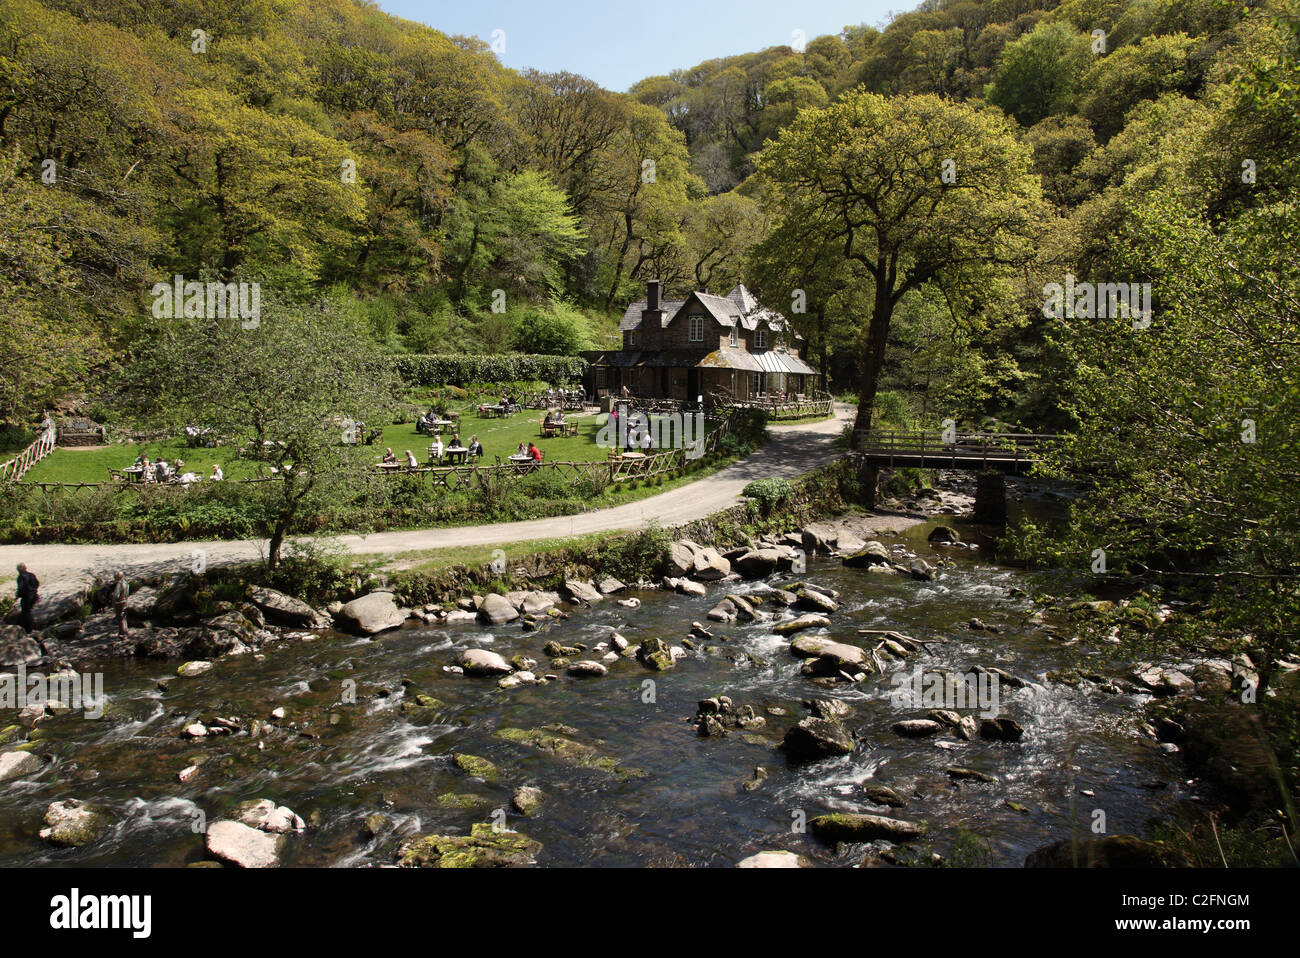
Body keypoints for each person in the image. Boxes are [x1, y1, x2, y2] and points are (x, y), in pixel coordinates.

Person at [15, 563, 38, 634]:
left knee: (25, 612)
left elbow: (20, 588)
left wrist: (18, 596)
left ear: (19, 570)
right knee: (29, 611)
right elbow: (37, 584)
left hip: (26, 596)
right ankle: (31, 627)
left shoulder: (20, 577)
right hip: (34, 595)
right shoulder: (31, 575)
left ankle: (29, 629)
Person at [111, 571, 129, 638]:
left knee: (120, 618)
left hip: (119, 602)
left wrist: (113, 600)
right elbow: (127, 594)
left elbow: (116, 595)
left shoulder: (119, 583)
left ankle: (122, 634)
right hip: (125, 601)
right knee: (124, 617)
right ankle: (126, 631)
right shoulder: (126, 583)